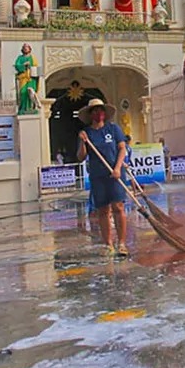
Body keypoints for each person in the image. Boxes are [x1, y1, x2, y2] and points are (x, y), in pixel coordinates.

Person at [77, 99, 130, 258]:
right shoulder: (87, 133)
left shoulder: (113, 129)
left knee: (118, 207)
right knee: (103, 210)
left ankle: (121, 243)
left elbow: (122, 149)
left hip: (115, 174)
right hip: (98, 176)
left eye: (101, 110)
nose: (98, 113)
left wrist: (117, 168)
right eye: (95, 110)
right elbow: (81, 157)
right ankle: (108, 244)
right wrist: (82, 142)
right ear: (90, 114)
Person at [14, 44, 38, 115]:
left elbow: (35, 67)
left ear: (29, 49)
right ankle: (23, 108)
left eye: (27, 48)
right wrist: (23, 65)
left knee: (31, 93)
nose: (25, 49)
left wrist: (29, 65)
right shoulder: (20, 58)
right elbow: (17, 65)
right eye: (24, 48)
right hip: (23, 78)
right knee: (23, 92)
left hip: (31, 78)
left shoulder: (33, 58)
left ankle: (31, 108)